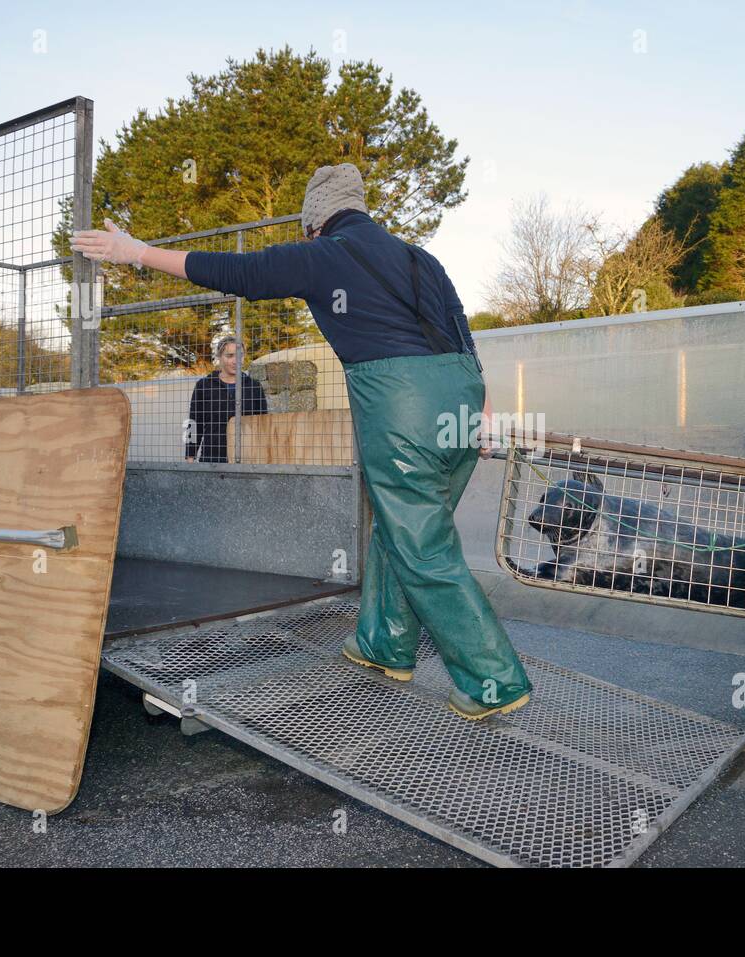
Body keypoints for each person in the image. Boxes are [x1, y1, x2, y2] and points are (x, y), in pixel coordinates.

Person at [72, 163, 532, 720]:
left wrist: (135, 251)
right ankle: (383, 642)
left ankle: (494, 680)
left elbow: (236, 271)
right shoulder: (421, 259)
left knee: (423, 546)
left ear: (315, 220)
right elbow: (461, 333)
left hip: (402, 405)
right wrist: (479, 412)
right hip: (460, 396)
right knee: (401, 525)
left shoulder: (323, 255)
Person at [185, 335, 269, 463]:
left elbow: (263, 423)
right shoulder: (204, 385)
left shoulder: (254, 386)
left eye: (240, 356)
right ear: (219, 357)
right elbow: (193, 422)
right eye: (230, 356)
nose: (236, 361)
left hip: (247, 458)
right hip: (212, 458)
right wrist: (190, 457)